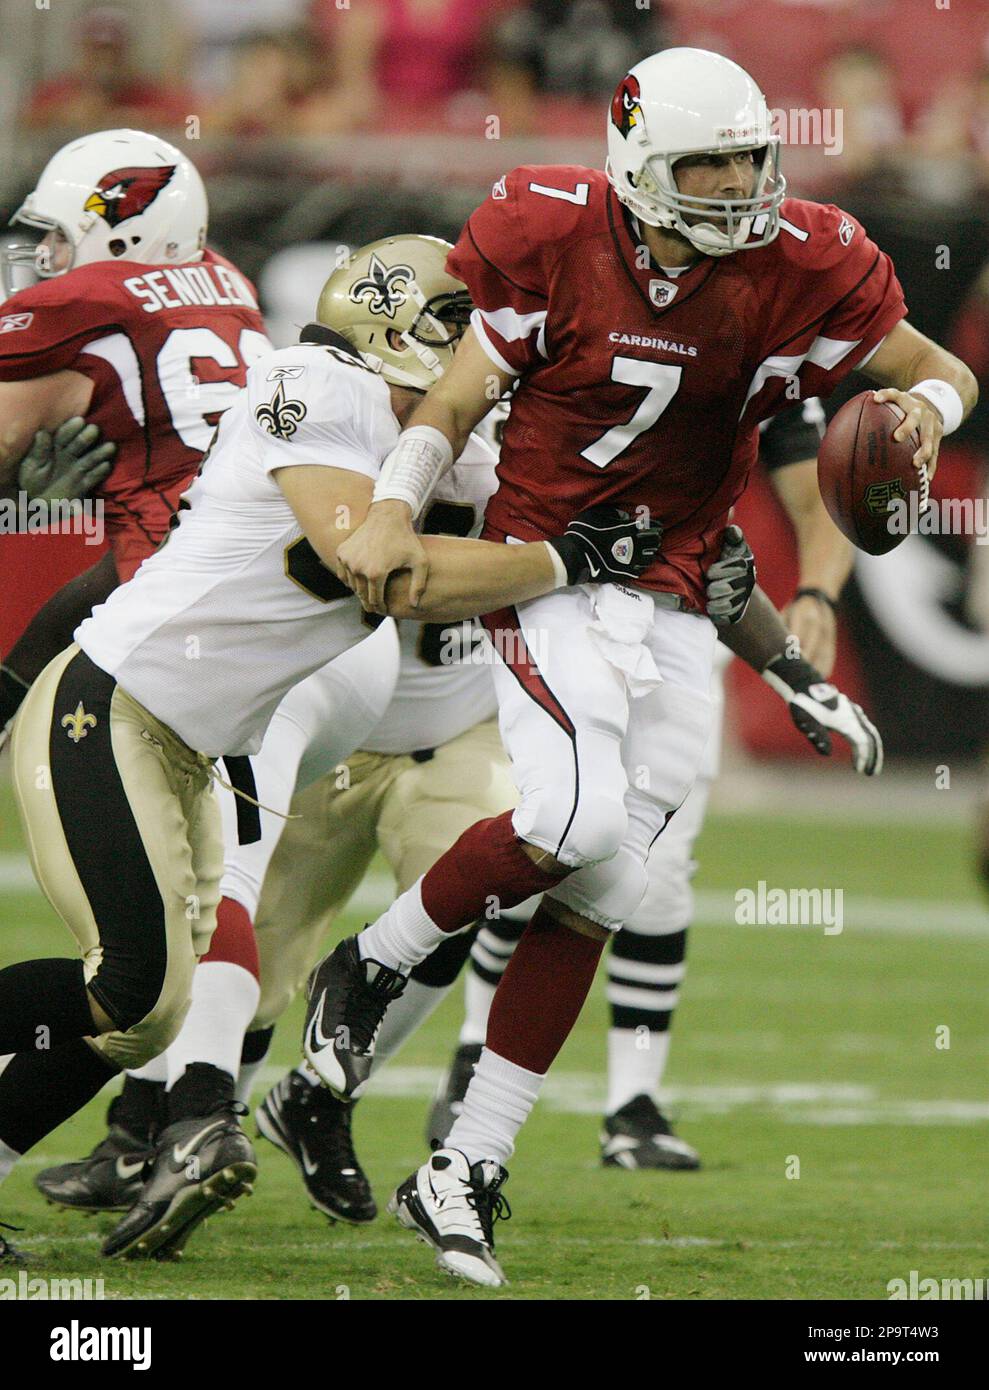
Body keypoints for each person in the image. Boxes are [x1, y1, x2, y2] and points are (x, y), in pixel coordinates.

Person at [312, 47, 977, 1286]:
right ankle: (375, 961)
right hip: (549, 566)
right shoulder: (545, 229)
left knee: (610, 885)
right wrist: (397, 508)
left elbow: (941, 373)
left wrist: (919, 424)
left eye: (747, 158)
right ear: (634, 163)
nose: (736, 185)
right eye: (706, 164)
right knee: (571, 817)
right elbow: (451, 403)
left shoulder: (807, 259)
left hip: (678, 590)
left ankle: (466, 1164)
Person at [0, 234, 658, 1261]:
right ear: (392, 326)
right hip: (110, 707)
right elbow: (382, 569)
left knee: (146, 1017)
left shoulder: (431, 437)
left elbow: (585, 490)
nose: (475, 356)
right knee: (129, 986)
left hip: (195, 745)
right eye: (456, 329)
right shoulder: (306, 381)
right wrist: (558, 560)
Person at [428, 398, 856, 1168]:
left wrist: (818, 592)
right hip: (562, 605)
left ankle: (632, 1102)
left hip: (680, 615)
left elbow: (815, 482)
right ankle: (464, 1047)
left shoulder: (771, 330)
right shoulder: (584, 306)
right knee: (548, 833)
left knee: (652, 869)